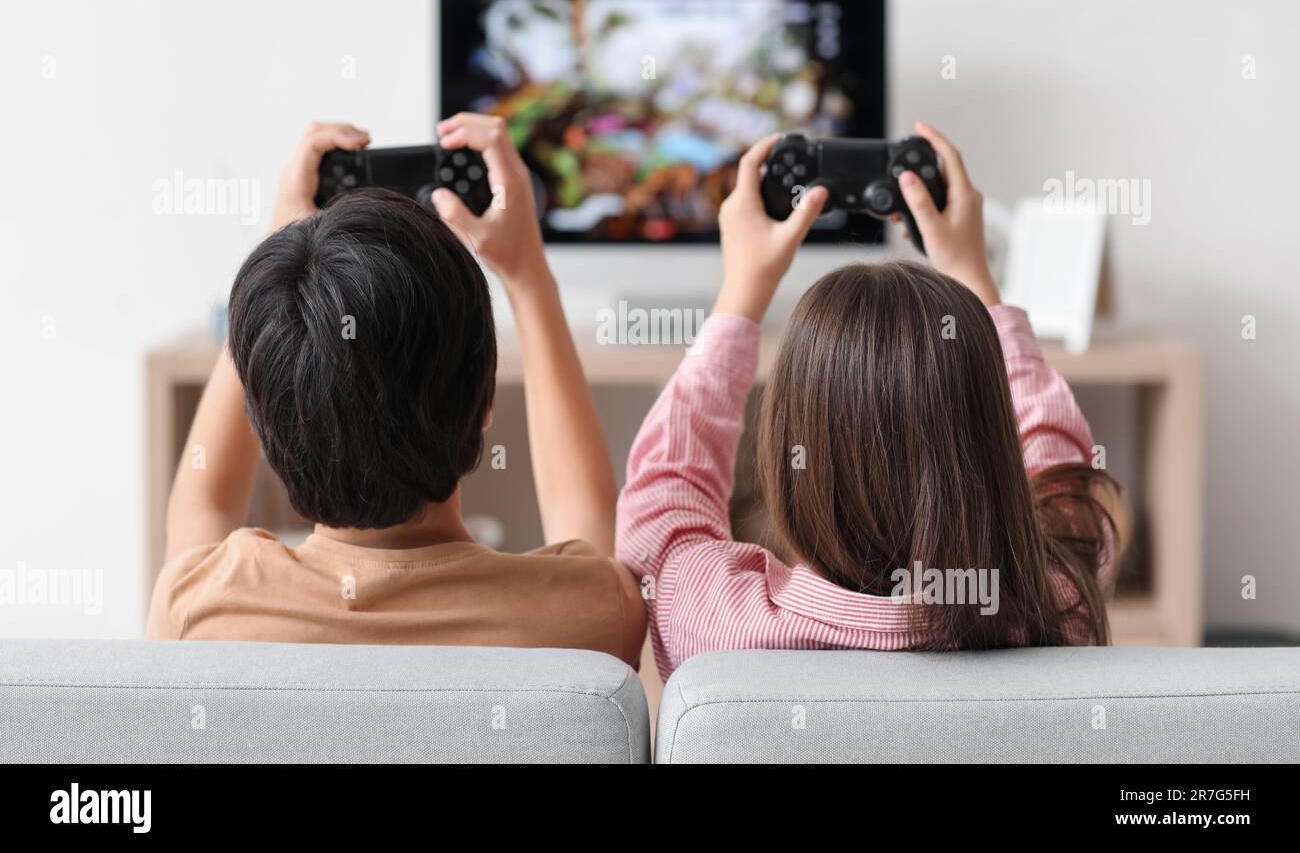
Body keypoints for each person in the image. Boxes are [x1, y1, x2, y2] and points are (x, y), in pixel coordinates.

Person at [616, 123, 1124, 679]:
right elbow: (1059, 464)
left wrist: (742, 290)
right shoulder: (1058, 600)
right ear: (993, 445)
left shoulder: (719, 620)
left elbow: (667, 491)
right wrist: (973, 274)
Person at [148, 115, 644, 666]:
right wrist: (528, 277)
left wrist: (279, 251)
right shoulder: (590, 611)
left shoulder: (200, 605)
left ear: (263, 429)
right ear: (484, 406)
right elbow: (587, 521)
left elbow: (203, 503)